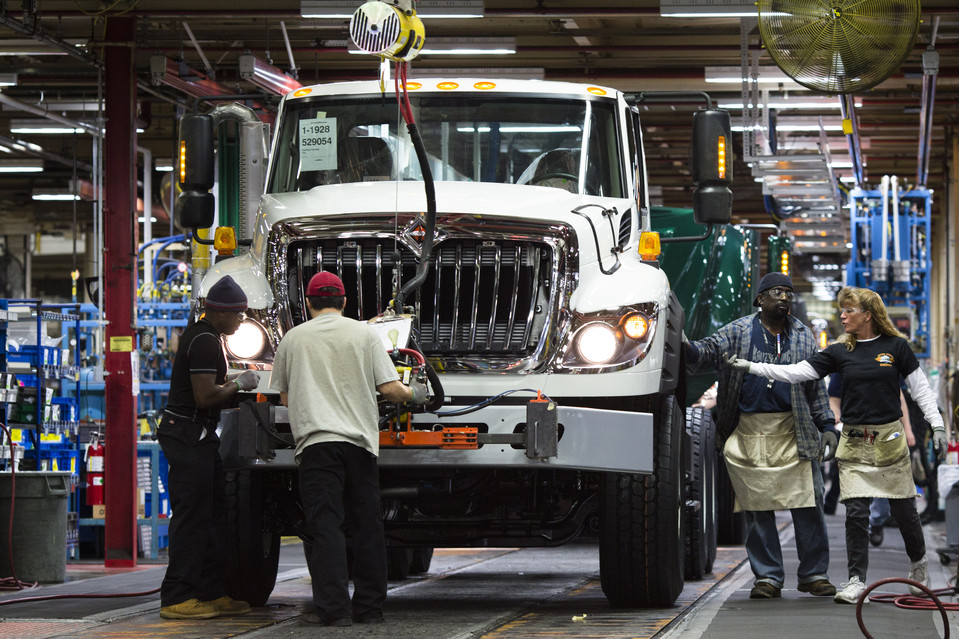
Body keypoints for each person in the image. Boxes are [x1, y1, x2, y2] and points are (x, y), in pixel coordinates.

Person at [728, 286, 947, 604]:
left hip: (890, 441)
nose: (842, 316)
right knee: (856, 512)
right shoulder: (839, 351)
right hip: (856, 442)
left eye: (848, 311)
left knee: (905, 512)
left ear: (867, 315)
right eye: (841, 310)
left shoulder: (897, 348)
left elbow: (921, 390)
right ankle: (857, 580)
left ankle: (919, 568)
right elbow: (797, 372)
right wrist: (752, 367)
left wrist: (937, 426)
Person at [269, 271, 427, 627]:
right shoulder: (364, 334)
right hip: (359, 444)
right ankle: (370, 610)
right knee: (367, 526)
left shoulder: (293, 339)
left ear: (308, 303)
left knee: (326, 527)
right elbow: (390, 390)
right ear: (343, 302)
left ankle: (333, 611)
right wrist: (417, 393)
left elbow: (284, 397)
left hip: (316, 445)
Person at [686, 272, 838, 600]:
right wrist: (685, 345)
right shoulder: (739, 331)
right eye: (776, 292)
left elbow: (815, 386)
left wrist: (826, 425)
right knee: (757, 508)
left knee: (810, 504)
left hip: (792, 429)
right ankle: (767, 577)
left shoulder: (802, 336)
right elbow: (707, 352)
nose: (783, 297)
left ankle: (814, 573)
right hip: (749, 430)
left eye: (788, 292)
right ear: (760, 299)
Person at [158, 275, 259, 620]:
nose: (242, 321)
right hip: (186, 435)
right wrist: (237, 383)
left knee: (215, 514)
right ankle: (177, 596)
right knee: (192, 517)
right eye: (239, 315)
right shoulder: (202, 340)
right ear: (220, 313)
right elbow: (204, 396)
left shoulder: (210, 336)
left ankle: (210, 590)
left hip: (199, 435)